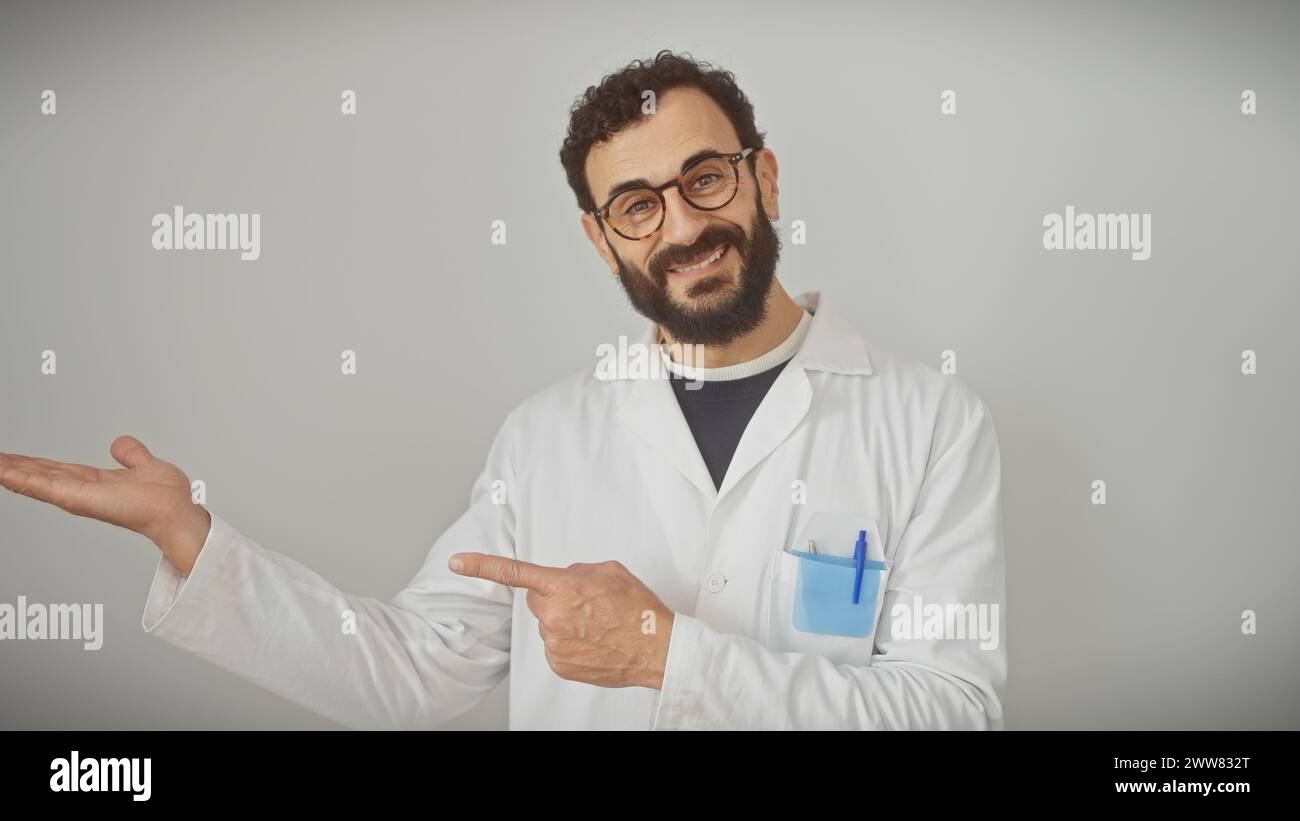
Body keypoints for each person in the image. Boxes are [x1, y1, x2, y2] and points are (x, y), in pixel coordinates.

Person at [0, 50, 1006, 730]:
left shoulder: (930, 422)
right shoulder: (546, 437)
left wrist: (668, 654)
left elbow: (954, 708)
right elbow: (410, 668)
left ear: (764, 178)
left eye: (706, 178)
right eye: (637, 205)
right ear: (601, 240)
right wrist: (194, 540)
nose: (683, 228)